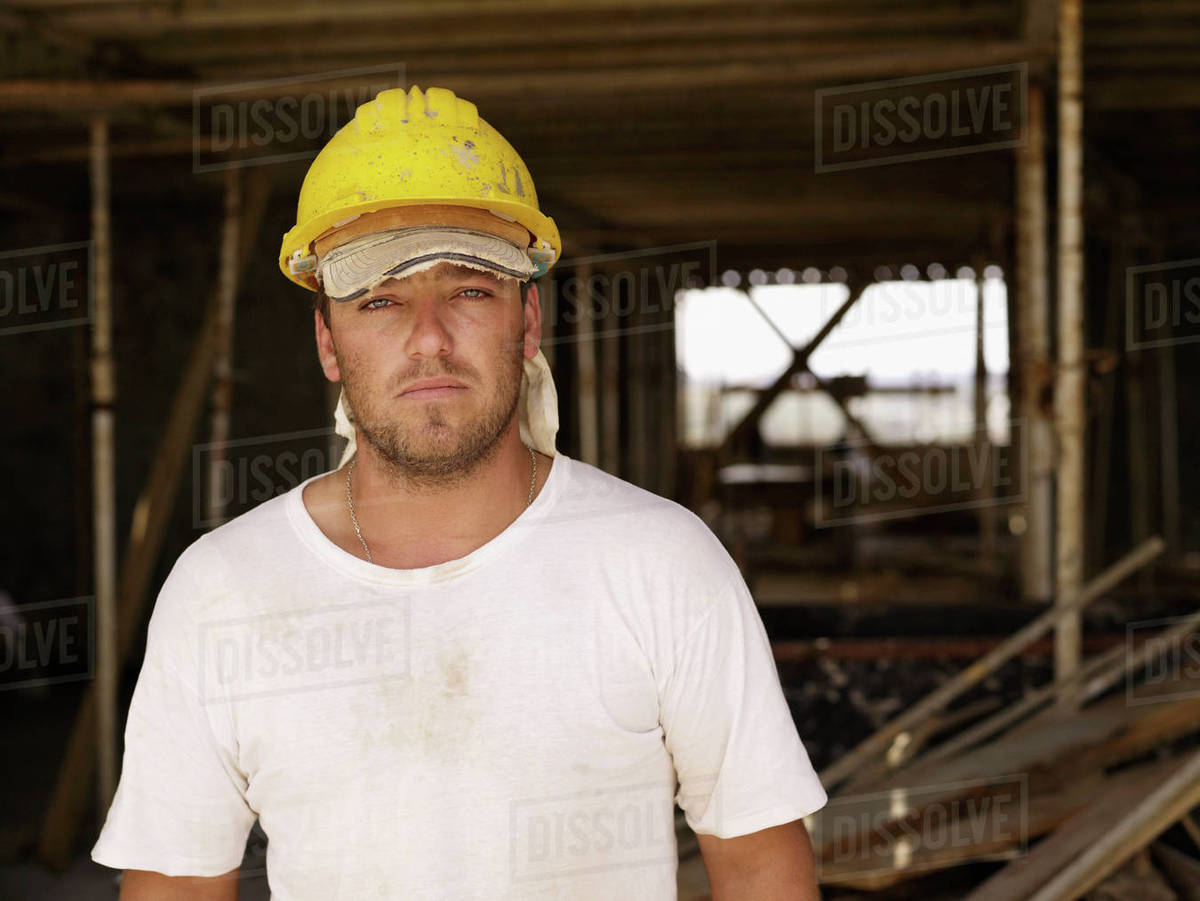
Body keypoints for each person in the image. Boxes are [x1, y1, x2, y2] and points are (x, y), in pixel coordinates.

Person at [91, 85, 827, 900]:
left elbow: (762, 866)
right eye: (381, 300)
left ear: (528, 320)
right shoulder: (223, 590)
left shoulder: (661, 562)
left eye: (471, 289)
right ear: (328, 341)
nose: (430, 337)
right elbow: (175, 886)